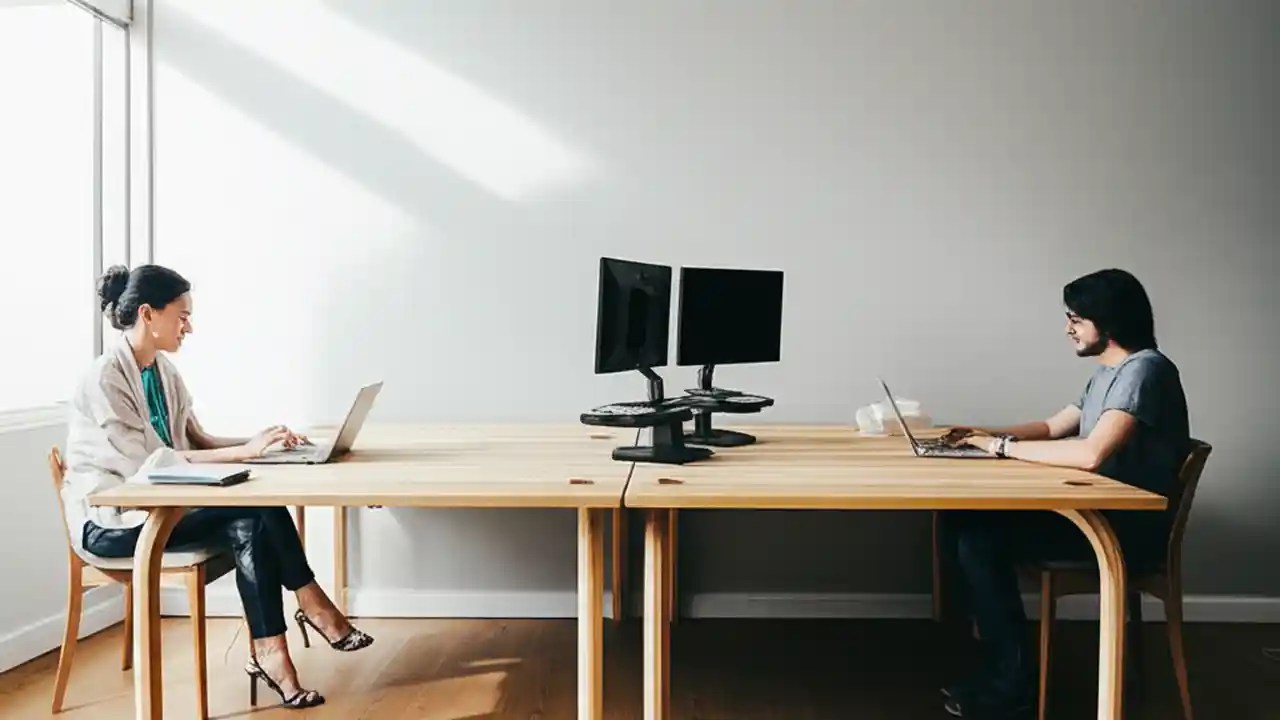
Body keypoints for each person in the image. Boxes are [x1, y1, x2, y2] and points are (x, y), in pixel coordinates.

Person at [63, 264, 373, 709]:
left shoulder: (162, 371)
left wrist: (264, 444)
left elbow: (196, 442)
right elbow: (150, 466)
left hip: (161, 510)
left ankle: (273, 653)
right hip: (114, 523)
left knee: (254, 517)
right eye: (182, 315)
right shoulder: (105, 378)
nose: (189, 325)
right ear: (148, 314)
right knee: (261, 511)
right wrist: (244, 452)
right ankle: (313, 608)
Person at [937, 268, 1190, 718]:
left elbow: (1092, 453)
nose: (1067, 327)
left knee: (979, 539)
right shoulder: (1109, 373)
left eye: (1076, 318)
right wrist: (979, 432)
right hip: (1099, 515)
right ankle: (988, 653)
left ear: (1107, 322)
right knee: (959, 518)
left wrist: (999, 448)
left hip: (1122, 530)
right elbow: (1055, 428)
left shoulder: (1146, 370)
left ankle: (1011, 687)